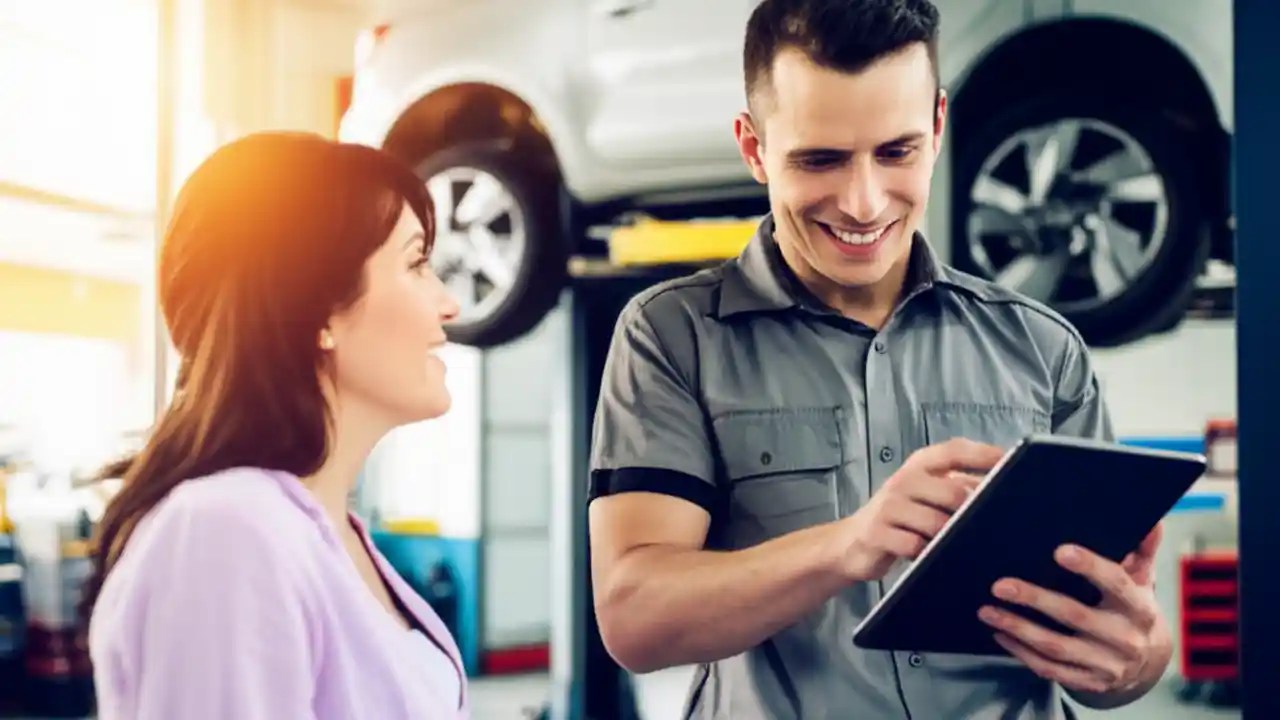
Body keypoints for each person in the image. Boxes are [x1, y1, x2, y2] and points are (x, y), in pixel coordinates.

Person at [586, 1, 1173, 718]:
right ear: (754, 147)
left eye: (896, 152)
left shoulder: (1044, 350)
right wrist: (848, 545)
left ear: (936, 126)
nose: (864, 203)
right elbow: (634, 621)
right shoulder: (673, 337)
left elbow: (1107, 643)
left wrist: (1136, 660)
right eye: (820, 159)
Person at [80, 132, 469, 719]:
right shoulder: (229, 531)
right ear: (318, 310)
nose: (449, 304)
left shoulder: (324, 532)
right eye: (416, 263)